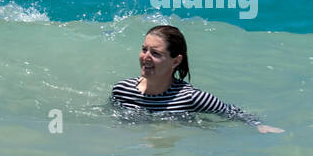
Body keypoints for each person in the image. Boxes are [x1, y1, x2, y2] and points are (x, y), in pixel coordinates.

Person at [111, 25, 284, 133]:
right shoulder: (122, 90)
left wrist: (258, 125)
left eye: (155, 53)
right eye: (144, 50)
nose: (146, 57)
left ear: (176, 61)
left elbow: (233, 112)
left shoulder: (192, 98)